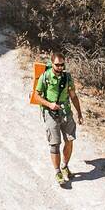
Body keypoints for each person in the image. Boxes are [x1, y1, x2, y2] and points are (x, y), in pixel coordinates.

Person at [36, 52, 82, 184]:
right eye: (57, 65)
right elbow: (37, 96)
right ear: (52, 64)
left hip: (66, 112)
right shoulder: (45, 77)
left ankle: (65, 166)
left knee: (69, 140)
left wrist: (79, 113)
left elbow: (73, 96)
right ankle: (57, 172)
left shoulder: (67, 77)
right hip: (51, 114)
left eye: (62, 64)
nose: (60, 67)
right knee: (55, 144)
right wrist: (49, 104)